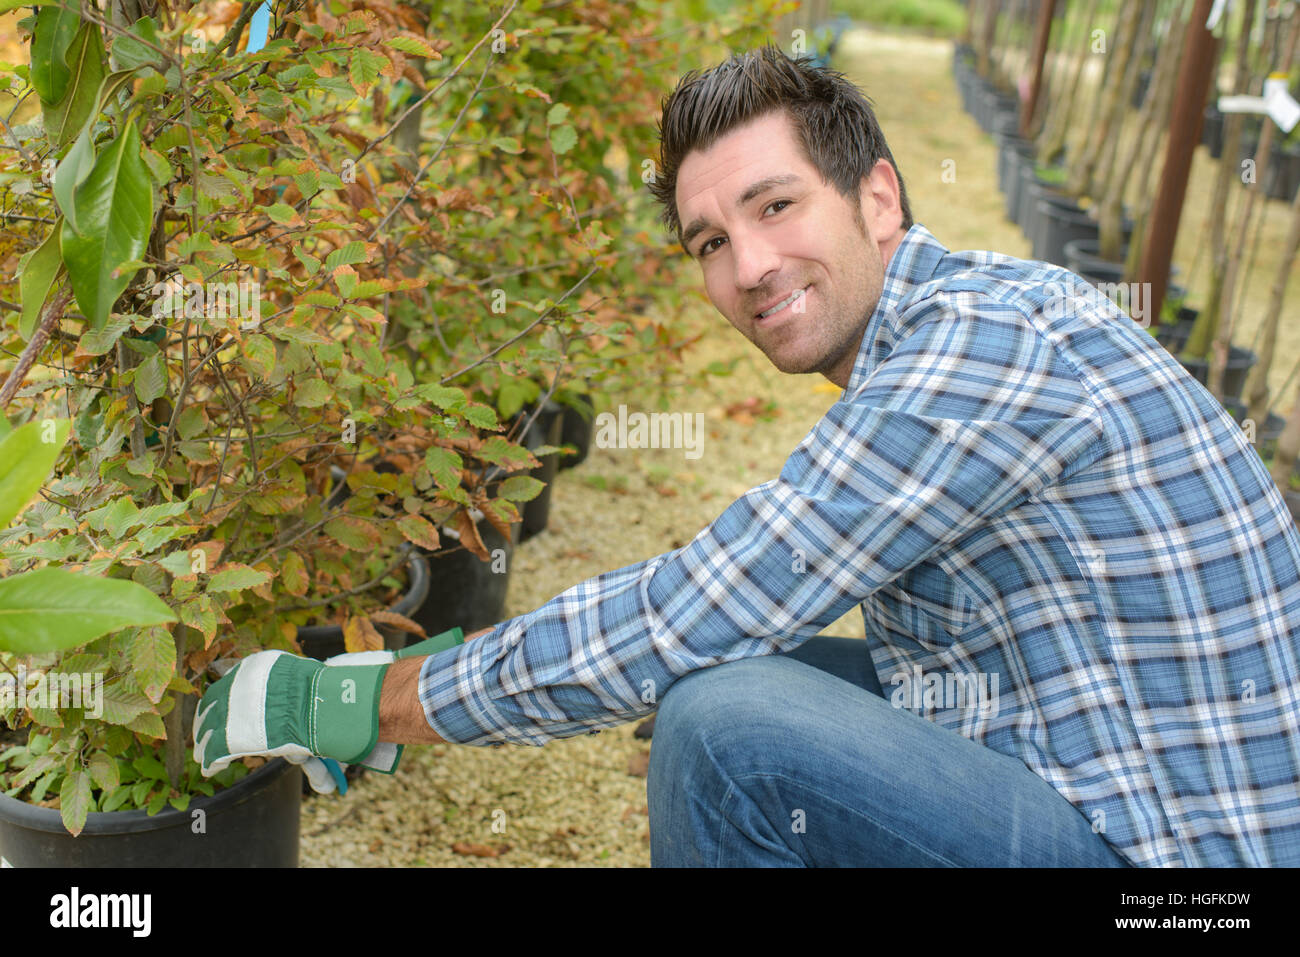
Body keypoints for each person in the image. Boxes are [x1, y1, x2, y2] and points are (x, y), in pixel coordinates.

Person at [196, 45, 1300, 868]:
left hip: (1179, 860)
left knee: (725, 729)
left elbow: (699, 601)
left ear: (877, 195)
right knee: (726, 670)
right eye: (711, 243)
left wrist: (358, 703)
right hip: (1104, 746)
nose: (752, 267)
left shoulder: (980, 354)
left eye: (777, 207)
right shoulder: (963, 314)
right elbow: (718, 617)